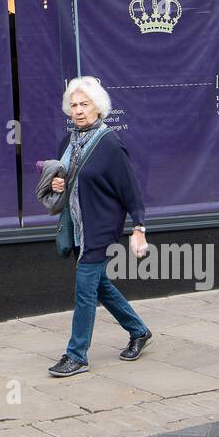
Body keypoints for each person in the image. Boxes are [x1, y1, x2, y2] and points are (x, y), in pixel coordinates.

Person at [47, 76, 152, 378]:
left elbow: (131, 190)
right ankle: (138, 330)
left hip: (101, 228)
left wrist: (139, 227)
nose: (78, 110)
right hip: (79, 225)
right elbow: (67, 180)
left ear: (99, 107)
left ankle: (76, 354)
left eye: (85, 104)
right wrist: (58, 182)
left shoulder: (109, 143)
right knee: (99, 286)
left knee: (84, 287)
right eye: (74, 105)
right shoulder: (68, 141)